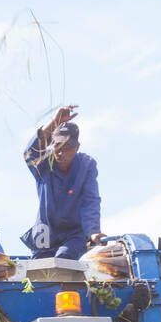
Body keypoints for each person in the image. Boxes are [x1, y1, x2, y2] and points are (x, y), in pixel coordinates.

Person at [21, 105, 105, 260]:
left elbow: (91, 201)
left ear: (77, 147)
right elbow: (29, 153)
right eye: (57, 146)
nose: (60, 153)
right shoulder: (43, 162)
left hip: (74, 234)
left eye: (66, 148)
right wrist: (55, 122)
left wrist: (93, 231)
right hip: (45, 232)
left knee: (64, 259)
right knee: (40, 270)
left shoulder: (86, 165)